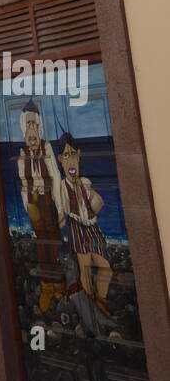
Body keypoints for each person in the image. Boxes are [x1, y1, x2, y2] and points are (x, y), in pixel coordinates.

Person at [56, 133, 113, 317]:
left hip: (91, 227)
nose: (70, 160)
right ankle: (90, 300)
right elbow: (62, 209)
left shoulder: (84, 184)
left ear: (79, 156)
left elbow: (99, 201)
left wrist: (89, 213)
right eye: (66, 155)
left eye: (73, 154)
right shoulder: (63, 186)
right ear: (60, 160)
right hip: (77, 228)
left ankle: (100, 298)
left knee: (105, 268)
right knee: (85, 266)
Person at [17, 100, 64, 313]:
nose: (32, 129)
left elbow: (55, 175)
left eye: (34, 124)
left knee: (53, 241)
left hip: (49, 202)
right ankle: (47, 286)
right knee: (42, 243)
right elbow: (24, 184)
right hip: (35, 204)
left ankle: (58, 284)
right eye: (28, 125)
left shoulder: (47, 148)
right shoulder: (22, 154)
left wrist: (60, 207)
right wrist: (28, 207)